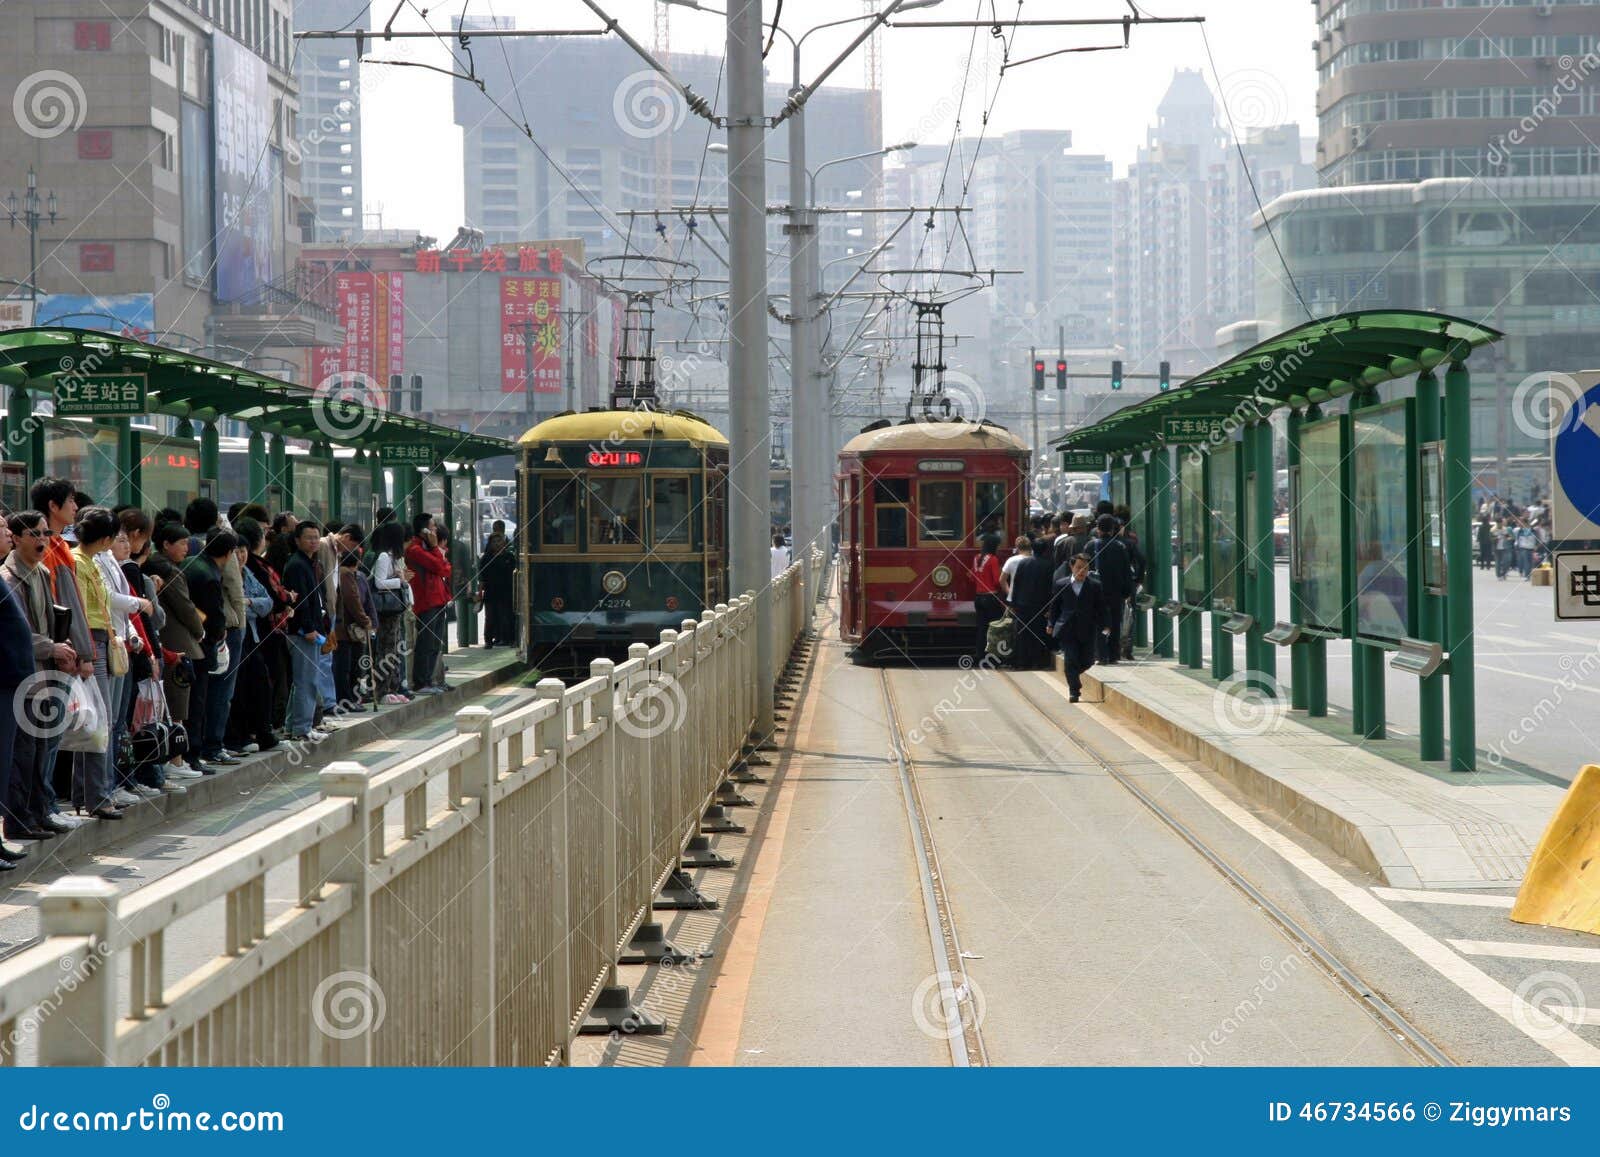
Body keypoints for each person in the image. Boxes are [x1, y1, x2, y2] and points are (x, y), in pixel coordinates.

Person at [4, 511, 83, 841]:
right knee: (22, 755)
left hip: (44, 677)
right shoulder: (9, 578)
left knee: (41, 752)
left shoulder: (41, 571)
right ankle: (18, 820)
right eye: (34, 534)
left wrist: (62, 646)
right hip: (23, 678)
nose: (41, 540)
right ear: (17, 537)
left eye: (45, 533)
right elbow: (20, 633)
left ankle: (39, 811)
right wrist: (52, 648)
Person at [69, 506, 126, 819]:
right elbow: (78, 609)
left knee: (93, 720)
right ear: (105, 538)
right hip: (92, 643)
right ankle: (98, 796)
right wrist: (86, 652)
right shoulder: (80, 563)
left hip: (101, 640)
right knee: (100, 720)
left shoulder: (88, 561)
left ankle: (87, 792)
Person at [96, 526, 159, 801]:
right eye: (116, 537)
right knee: (110, 721)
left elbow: (125, 617)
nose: (121, 543)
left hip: (123, 646)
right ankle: (108, 786)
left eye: (123, 538)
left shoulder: (114, 563)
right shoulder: (93, 561)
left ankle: (121, 781)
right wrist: (139, 602)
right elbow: (108, 601)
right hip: (108, 647)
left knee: (120, 720)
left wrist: (133, 637)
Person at [229, 518, 283, 754]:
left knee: (261, 683)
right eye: (236, 552)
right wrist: (250, 606)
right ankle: (238, 737)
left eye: (243, 551)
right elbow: (233, 606)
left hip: (252, 635)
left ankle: (263, 731)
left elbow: (267, 602)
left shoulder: (248, 573)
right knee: (238, 689)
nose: (241, 556)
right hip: (234, 637)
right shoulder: (227, 576)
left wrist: (249, 603)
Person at [0, 518, 34, 866]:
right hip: (3, 682)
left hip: (11, 684)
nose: (8, 533)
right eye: (1, 528)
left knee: (4, 763)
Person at [282, 521, 331, 742]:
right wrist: (308, 628)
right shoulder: (297, 565)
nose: (313, 541)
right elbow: (300, 601)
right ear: (297, 540)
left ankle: (293, 725)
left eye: (315, 537)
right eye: (308, 537)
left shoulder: (309, 563)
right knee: (307, 680)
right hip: (302, 632)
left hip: (309, 630)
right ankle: (302, 728)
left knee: (301, 680)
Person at [1048, 552, 1110, 703]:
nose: (1082, 571)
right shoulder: (1061, 584)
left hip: (1087, 628)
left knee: (1087, 660)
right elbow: (1054, 607)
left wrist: (1106, 625)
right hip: (1067, 629)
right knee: (1070, 659)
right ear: (1072, 567)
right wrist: (1050, 623)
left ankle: (1073, 675)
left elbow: (1101, 608)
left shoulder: (1095, 586)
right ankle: (1074, 690)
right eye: (1079, 567)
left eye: (1085, 568)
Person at [405, 514, 451, 695]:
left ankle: (430, 679)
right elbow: (440, 566)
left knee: (435, 643)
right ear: (423, 530)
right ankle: (420, 681)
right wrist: (434, 547)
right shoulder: (415, 550)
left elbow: (447, 569)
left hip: (439, 600)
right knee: (425, 643)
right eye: (432, 528)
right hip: (426, 602)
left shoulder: (427, 548)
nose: (435, 531)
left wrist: (435, 550)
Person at [369, 519, 413, 704]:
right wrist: (399, 581)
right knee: (386, 649)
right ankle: (382, 691)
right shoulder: (384, 557)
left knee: (394, 650)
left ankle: (392, 687)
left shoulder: (393, 558)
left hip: (394, 611)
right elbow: (379, 582)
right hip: (386, 611)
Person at [1005, 536, 1056, 670]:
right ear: (1045, 550)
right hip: (1041, 605)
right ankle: (1038, 662)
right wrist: (1051, 606)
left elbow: (1016, 584)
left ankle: (1021, 662)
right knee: (1039, 633)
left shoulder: (1023, 563)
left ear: (1033, 549)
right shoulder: (1049, 565)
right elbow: (1051, 587)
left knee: (1022, 633)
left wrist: (1013, 603)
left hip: (1022, 604)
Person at [1089, 514, 1134, 665]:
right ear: (1113, 528)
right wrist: (1127, 591)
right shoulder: (1120, 547)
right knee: (1114, 622)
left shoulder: (1091, 545)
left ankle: (1101, 654)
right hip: (1115, 593)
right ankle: (1113, 654)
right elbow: (1126, 572)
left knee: (1099, 623)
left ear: (1098, 528)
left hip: (1096, 592)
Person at [333, 551, 373, 709]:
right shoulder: (346, 574)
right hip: (347, 630)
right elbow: (353, 600)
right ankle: (348, 700)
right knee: (348, 667)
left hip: (344, 629)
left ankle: (348, 699)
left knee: (346, 666)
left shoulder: (340, 572)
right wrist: (365, 620)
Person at [971, 531, 1005, 664]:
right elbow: (997, 581)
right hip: (991, 597)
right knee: (995, 628)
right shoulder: (993, 559)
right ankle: (993, 658)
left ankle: (979, 654)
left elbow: (972, 577)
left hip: (978, 598)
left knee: (982, 628)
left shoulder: (976, 558)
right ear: (993, 546)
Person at [478, 531, 516, 647]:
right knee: (490, 617)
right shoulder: (486, 558)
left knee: (505, 616)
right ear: (490, 544)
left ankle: (506, 639)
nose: (497, 544)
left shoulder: (509, 557)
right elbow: (482, 577)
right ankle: (488, 640)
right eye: (494, 541)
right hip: (490, 592)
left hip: (506, 592)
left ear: (504, 542)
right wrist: (479, 593)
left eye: (499, 541)